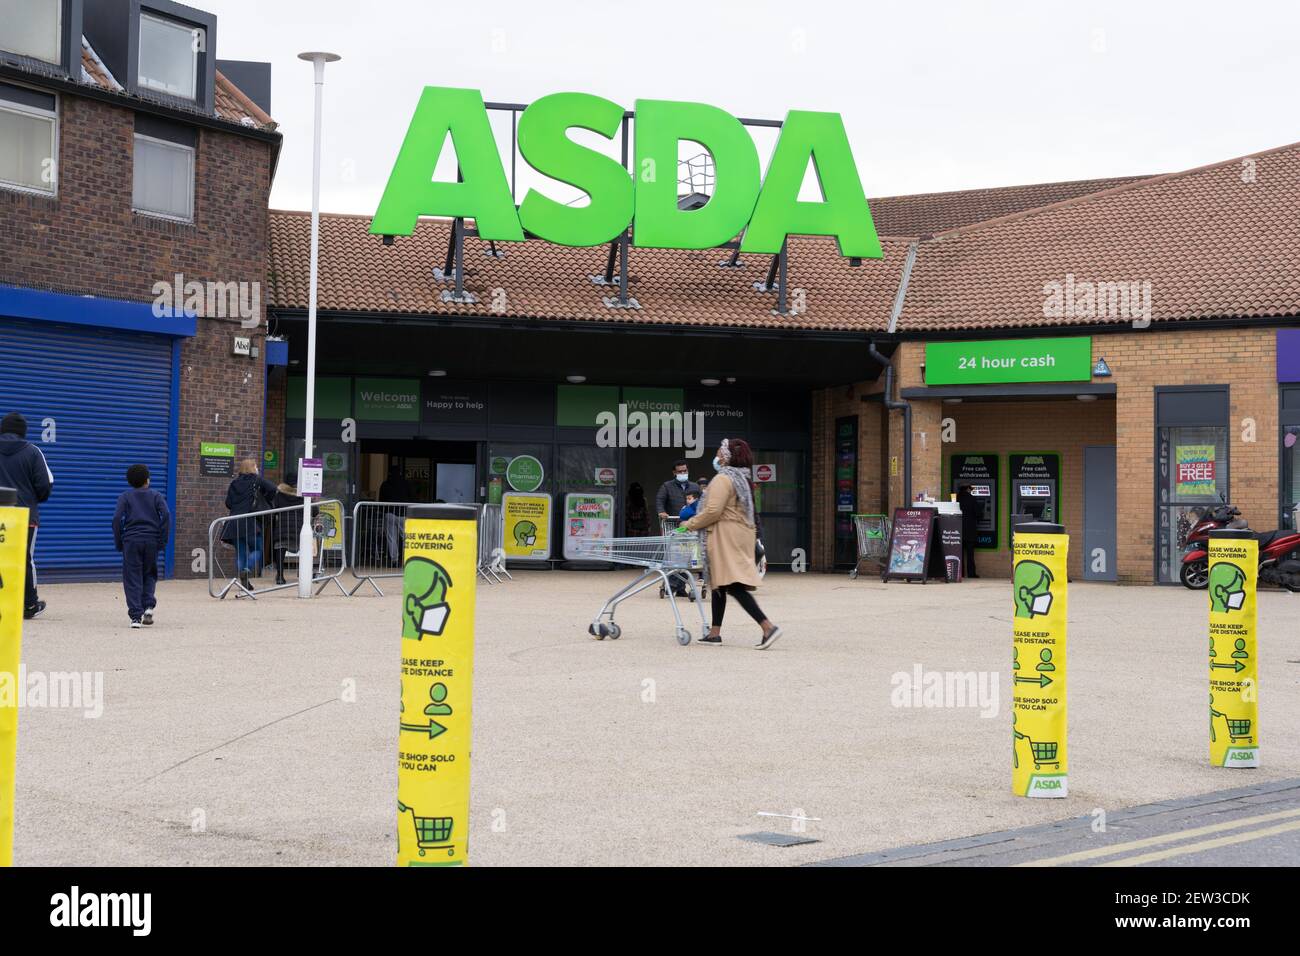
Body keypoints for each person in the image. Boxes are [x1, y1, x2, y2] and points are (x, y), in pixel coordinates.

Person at [681, 438, 782, 649]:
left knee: (734, 585)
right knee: (720, 583)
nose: (717, 457)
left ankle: (767, 627)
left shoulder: (723, 479)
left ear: (727, 457)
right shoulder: (743, 479)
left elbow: (712, 511)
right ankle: (714, 633)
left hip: (725, 536)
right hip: (740, 534)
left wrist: (689, 524)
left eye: (719, 453)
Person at [0, 411, 53, 619]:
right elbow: (45, 485)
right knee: (25, 558)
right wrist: (31, 499)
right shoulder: (33, 452)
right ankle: (29, 605)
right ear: (23, 432)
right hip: (24, 516)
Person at [112, 464, 169, 628]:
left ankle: (136, 616)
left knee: (132, 577)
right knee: (150, 574)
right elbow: (166, 514)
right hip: (151, 540)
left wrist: (119, 540)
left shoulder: (125, 496)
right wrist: (162, 539)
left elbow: (117, 518)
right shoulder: (156, 495)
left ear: (130, 481)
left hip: (131, 541)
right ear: (147, 480)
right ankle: (149, 606)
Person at [223, 459, 278, 590]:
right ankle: (247, 569)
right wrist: (264, 498)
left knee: (240, 553)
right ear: (252, 468)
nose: (257, 468)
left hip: (234, 522)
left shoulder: (234, 483)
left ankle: (244, 579)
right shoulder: (257, 480)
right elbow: (273, 489)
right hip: (251, 522)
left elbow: (228, 503)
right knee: (258, 549)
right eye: (256, 466)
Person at [270, 473, 303, 586]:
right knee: (304, 549)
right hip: (298, 528)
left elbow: (274, 508)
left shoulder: (279, 495)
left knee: (280, 548)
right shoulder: (303, 496)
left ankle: (280, 576)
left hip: (282, 527)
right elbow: (314, 510)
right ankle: (304, 574)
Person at [655, 459, 700, 525]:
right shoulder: (667, 486)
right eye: (680, 471)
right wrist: (661, 511)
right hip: (673, 523)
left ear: (688, 471)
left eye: (685, 471)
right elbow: (660, 500)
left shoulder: (695, 486)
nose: (683, 473)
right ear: (674, 472)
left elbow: (703, 500)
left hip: (692, 523)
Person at [955, 484, 980, 579]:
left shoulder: (955, 499)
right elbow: (978, 513)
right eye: (971, 489)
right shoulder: (972, 499)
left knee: (959, 553)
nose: (971, 491)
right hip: (970, 530)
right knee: (970, 554)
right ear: (967, 489)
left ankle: (960, 573)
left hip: (958, 529)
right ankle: (971, 573)